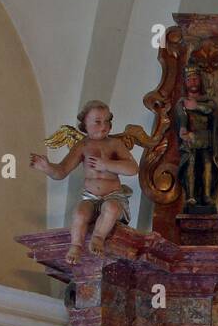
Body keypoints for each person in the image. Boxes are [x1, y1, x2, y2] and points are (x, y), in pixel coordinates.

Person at [30, 100, 138, 263]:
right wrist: (47, 168)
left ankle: (98, 238)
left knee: (111, 208)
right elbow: (61, 171)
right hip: (90, 197)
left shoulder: (115, 144)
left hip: (113, 195)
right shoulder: (82, 146)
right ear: (84, 124)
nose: (104, 125)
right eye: (97, 122)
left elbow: (132, 168)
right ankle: (75, 246)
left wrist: (106, 164)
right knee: (80, 213)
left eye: (107, 121)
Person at [176, 63, 218, 211]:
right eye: (189, 80)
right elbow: (181, 118)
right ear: (185, 83)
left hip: (206, 138)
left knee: (208, 166)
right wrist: (183, 131)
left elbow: (211, 110)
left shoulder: (207, 100)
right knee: (190, 165)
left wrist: (196, 106)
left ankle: (207, 195)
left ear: (200, 81)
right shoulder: (182, 102)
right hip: (190, 138)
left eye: (195, 79)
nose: (193, 82)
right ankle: (190, 196)